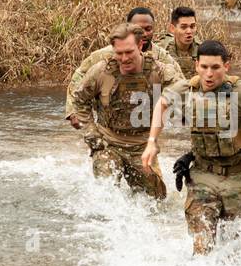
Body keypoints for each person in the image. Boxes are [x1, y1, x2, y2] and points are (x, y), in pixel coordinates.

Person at [141, 40, 241, 253]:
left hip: (237, 176)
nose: (209, 74)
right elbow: (162, 103)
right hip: (202, 174)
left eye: (215, 67)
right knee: (202, 248)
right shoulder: (186, 89)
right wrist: (152, 142)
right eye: (204, 67)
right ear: (196, 65)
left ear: (226, 66)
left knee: (237, 248)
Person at [70, 23, 183, 199]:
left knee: (156, 201)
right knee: (106, 195)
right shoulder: (101, 71)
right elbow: (79, 102)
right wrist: (92, 135)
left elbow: (184, 96)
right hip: (108, 142)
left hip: (142, 146)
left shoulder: (159, 72)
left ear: (140, 46)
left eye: (129, 52)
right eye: (119, 53)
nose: (124, 58)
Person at [65, 8, 160, 123]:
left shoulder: (161, 56)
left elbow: (178, 83)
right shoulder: (104, 55)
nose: (143, 34)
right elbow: (79, 76)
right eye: (138, 29)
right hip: (110, 111)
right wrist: (73, 112)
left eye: (148, 29)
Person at [154, 5, 200, 76]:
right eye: (183, 27)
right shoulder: (160, 49)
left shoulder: (203, 50)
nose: (189, 31)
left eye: (192, 26)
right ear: (172, 28)